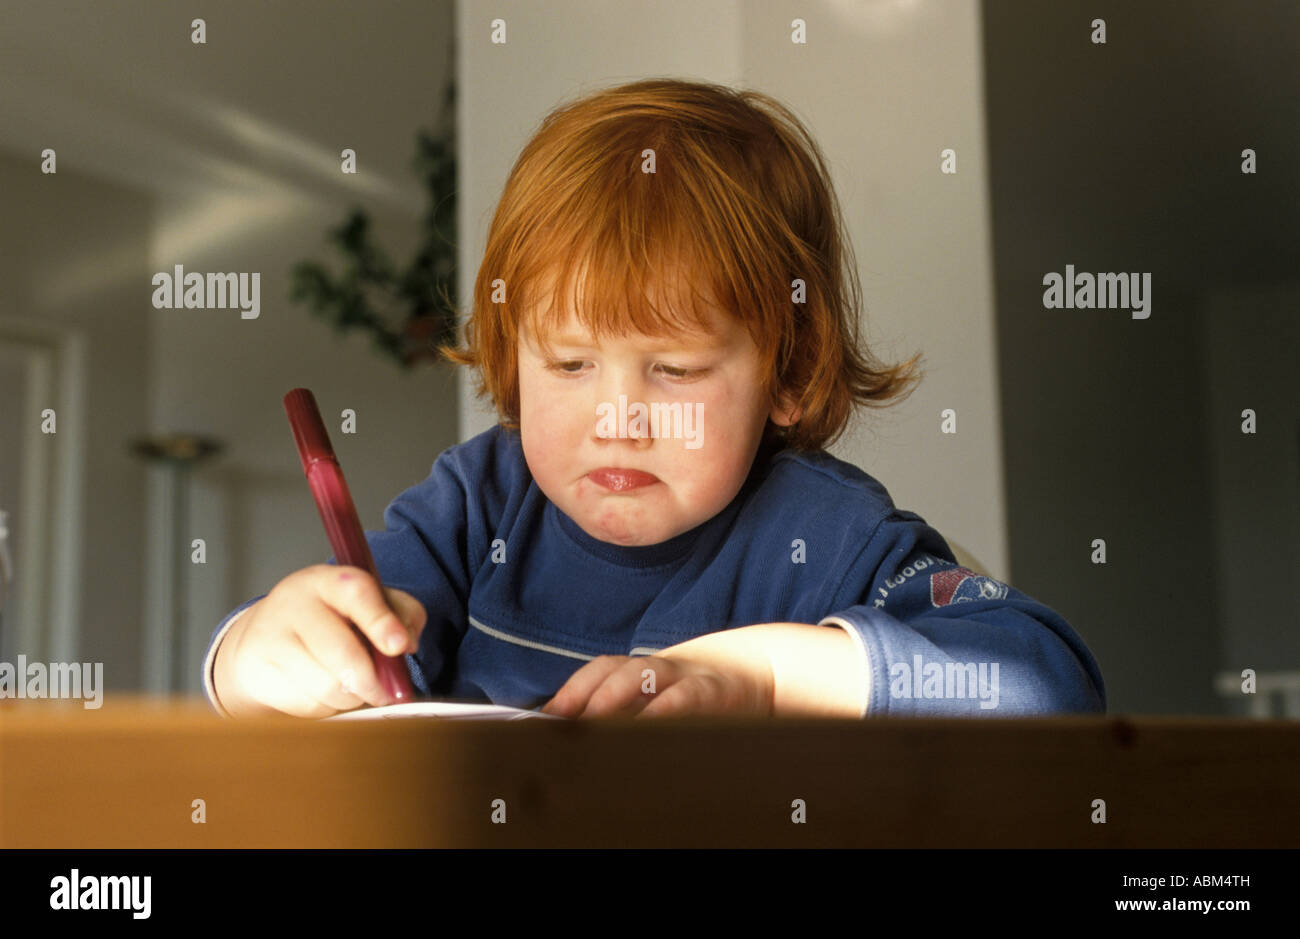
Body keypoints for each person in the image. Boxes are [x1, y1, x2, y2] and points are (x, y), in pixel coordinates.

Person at [204, 78, 1105, 720]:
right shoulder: (477, 506)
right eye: (566, 364)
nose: (618, 417)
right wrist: (255, 656)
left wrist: (761, 681)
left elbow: (1047, 686)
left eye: (673, 370)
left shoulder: (827, 537)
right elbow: (335, 645)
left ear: (788, 375)